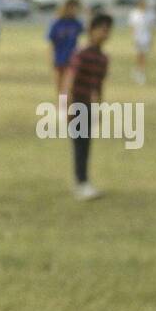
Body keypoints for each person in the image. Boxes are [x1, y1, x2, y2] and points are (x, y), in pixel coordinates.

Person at [61, 12, 113, 201]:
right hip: (77, 105)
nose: (105, 34)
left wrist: (98, 108)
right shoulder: (81, 54)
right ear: (92, 31)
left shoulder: (103, 58)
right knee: (80, 146)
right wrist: (67, 107)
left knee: (86, 145)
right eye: (102, 30)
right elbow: (69, 81)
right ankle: (81, 183)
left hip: (89, 107)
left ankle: (83, 182)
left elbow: (98, 87)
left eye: (108, 30)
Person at [47, 0, 85, 93]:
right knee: (60, 85)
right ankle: (62, 105)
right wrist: (51, 57)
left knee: (68, 84)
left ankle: (66, 103)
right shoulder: (57, 23)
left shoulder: (76, 23)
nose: (73, 10)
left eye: (75, 8)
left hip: (72, 58)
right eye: (71, 8)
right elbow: (51, 42)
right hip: (59, 57)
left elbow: (88, 31)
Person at [127, 0, 155, 84]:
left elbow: (151, 27)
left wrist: (152, 38)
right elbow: (132, 26)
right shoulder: (134, 14)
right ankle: (137, 70)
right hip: (137, 37)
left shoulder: (149, 14)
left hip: (146, 37)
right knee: (139, 55)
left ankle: (141, 73)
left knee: (144, 56)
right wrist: (132, 37)